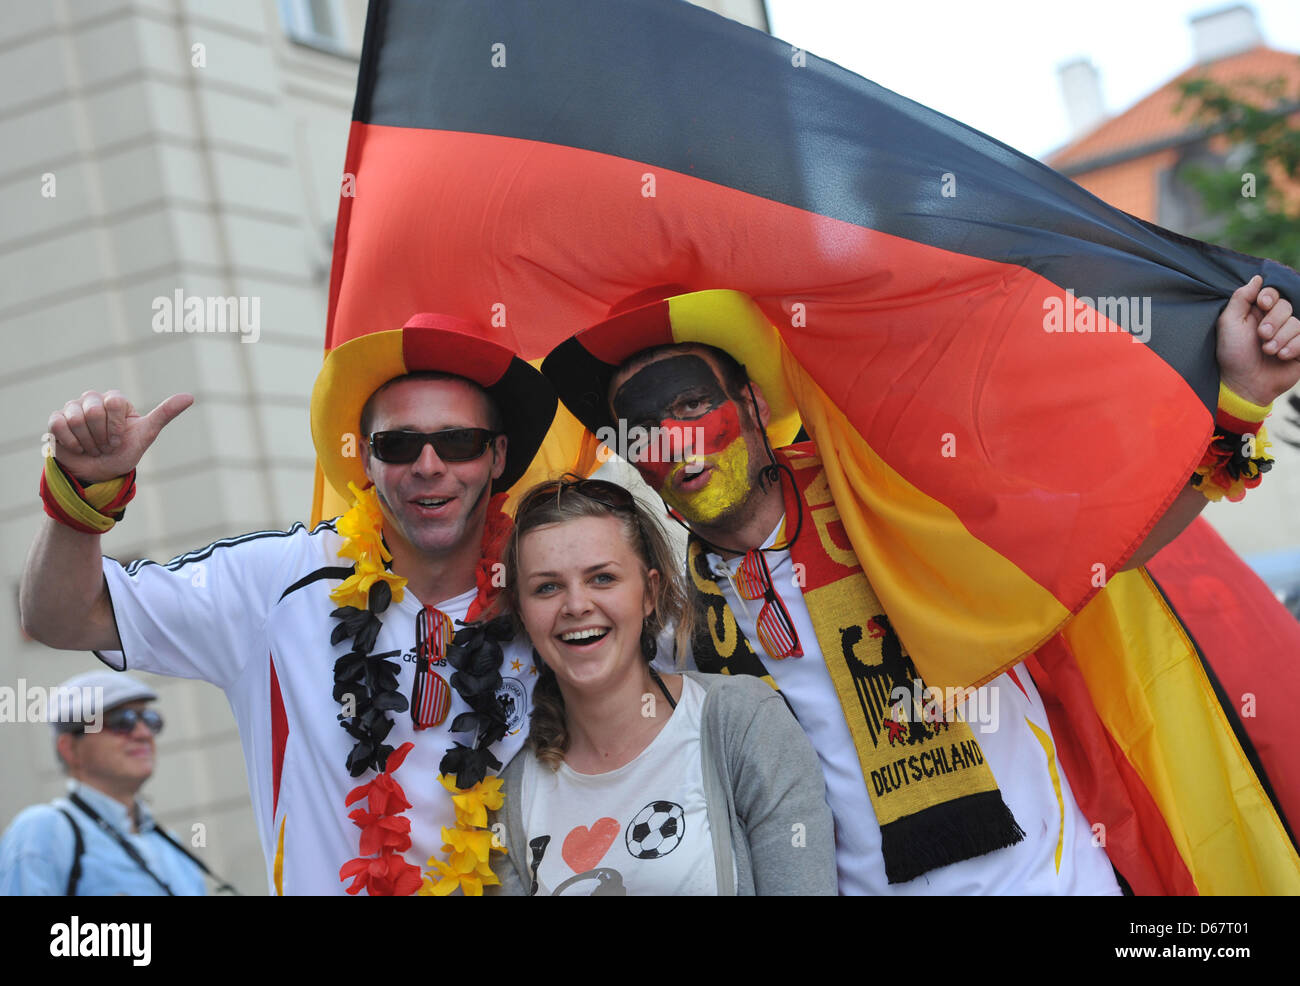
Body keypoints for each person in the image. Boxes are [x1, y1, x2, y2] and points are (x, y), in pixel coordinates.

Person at [540, 281, 1300, 895]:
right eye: (641, 430)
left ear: (753, 407)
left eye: (688, 406)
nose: (671, 441)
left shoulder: (897, 506)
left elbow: (1109, 542)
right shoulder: (669, 618)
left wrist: (1239, 399)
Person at [19, 313, 557, 896]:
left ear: (497, 456)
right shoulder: (274, 582)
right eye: (398, 444)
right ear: (367, 462)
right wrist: (83, 495)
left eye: (458, 441)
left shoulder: (549, 590)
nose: (429, 465)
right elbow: (63, 617)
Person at [489, 477, 836, 895]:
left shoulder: (742, 724)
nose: (577, 605)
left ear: (650, 592)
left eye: (602, 578)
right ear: (522, 613)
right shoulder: (509, 796)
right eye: (547, 587)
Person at [0, 671, 207, 896]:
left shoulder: (171, 846)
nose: (144, 733)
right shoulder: (43, 831)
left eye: (149, 719)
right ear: (69, 748)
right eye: (122, 721)